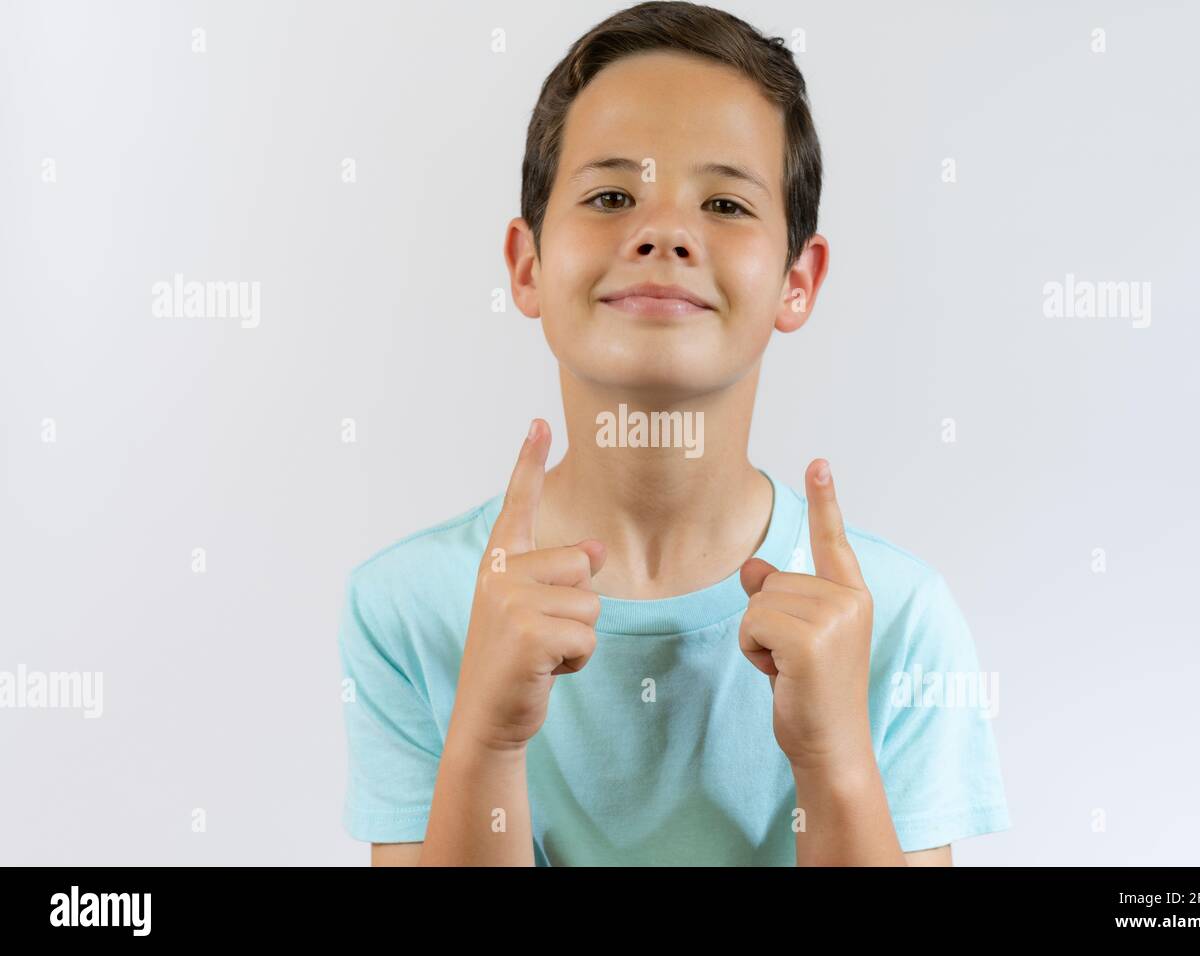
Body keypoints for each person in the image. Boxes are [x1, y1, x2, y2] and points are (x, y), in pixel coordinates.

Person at [337, 0, 1010, 866]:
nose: (664, 233)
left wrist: (836, 760)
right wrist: (486, 744)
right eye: (611, 195)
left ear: (797, 282)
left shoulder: (897, 620)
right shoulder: (406, 607)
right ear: (527, 263)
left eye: (726, 202)